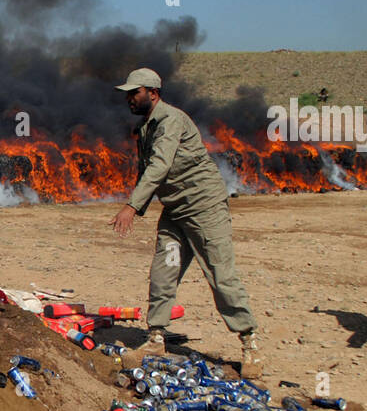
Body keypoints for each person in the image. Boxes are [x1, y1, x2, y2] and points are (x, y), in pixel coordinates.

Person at [108, 68, 262, 377]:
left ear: (153, 93)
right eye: (127, 93)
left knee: (220, 274)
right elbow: (146, 171)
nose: (129, 98)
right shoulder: (145, 128)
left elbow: (161, 165)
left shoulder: (171, 121)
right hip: (175, 211)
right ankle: (155, 338)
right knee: (164, 270)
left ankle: (250, 345)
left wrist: (131, 206)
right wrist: (140, 206)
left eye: (134, 92)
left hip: (204, 207)